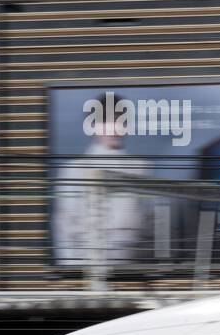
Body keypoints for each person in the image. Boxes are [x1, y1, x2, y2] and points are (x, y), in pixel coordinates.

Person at [53, 106, 153, 267]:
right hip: (86, 270)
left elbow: (148, 224)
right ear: (93, 125)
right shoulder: (74, 169)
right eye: (106, 121)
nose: (114, 127)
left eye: (120, 120)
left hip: (131, 272)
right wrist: (72, 275)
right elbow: (65, 229)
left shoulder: (140, 168)